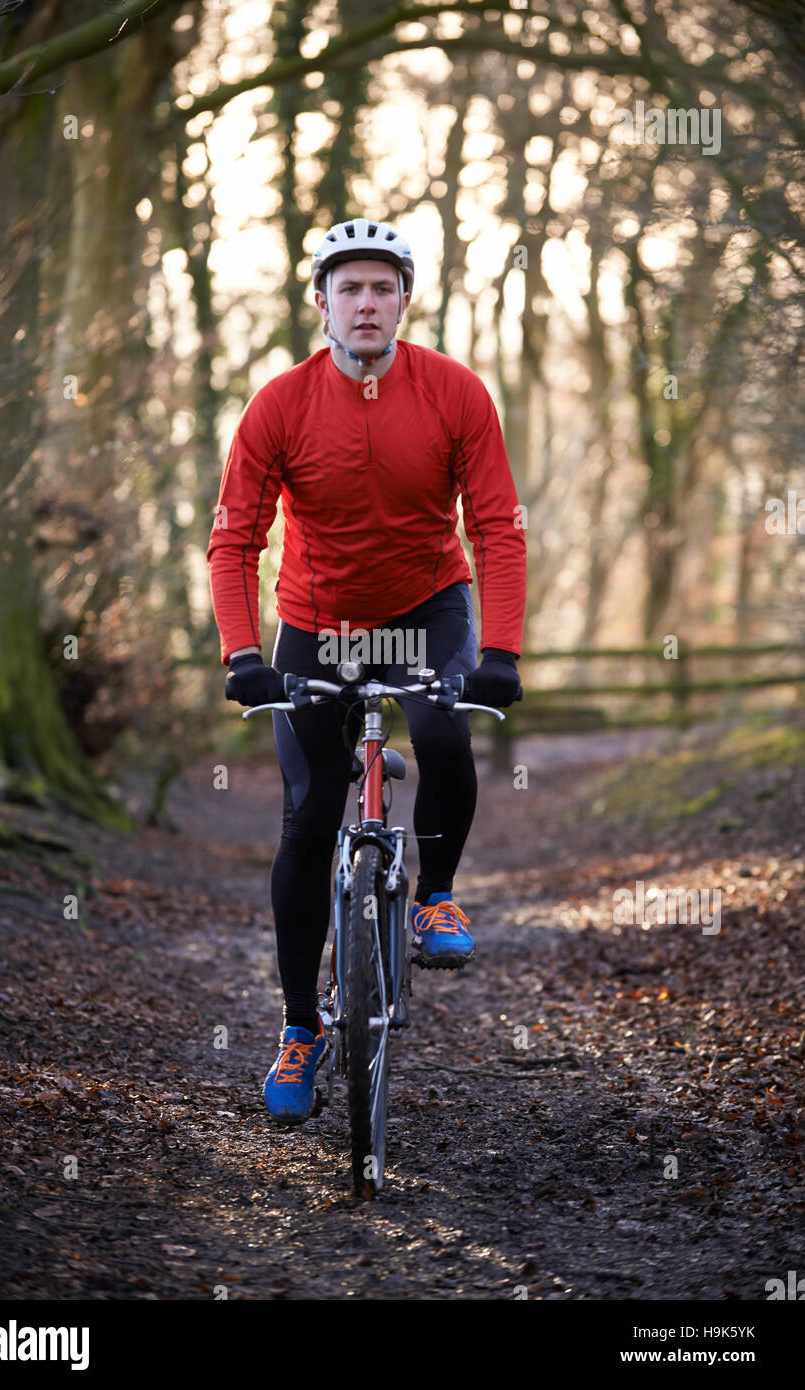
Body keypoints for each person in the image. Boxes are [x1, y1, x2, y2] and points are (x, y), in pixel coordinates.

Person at [207, 217, 526, 1123]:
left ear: (404, 301)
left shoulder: (455, 393)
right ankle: (301, 1029)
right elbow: (235, 537)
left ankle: (434, 897)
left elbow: (497, 527)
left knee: (440, 730)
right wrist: (241, 650)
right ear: (321, 304)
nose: (365, 303)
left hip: (428, 607)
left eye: (382, 288)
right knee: (306, 825)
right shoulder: (278, 404)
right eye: (348, 288)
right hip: (317, 620)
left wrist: (498, 651)